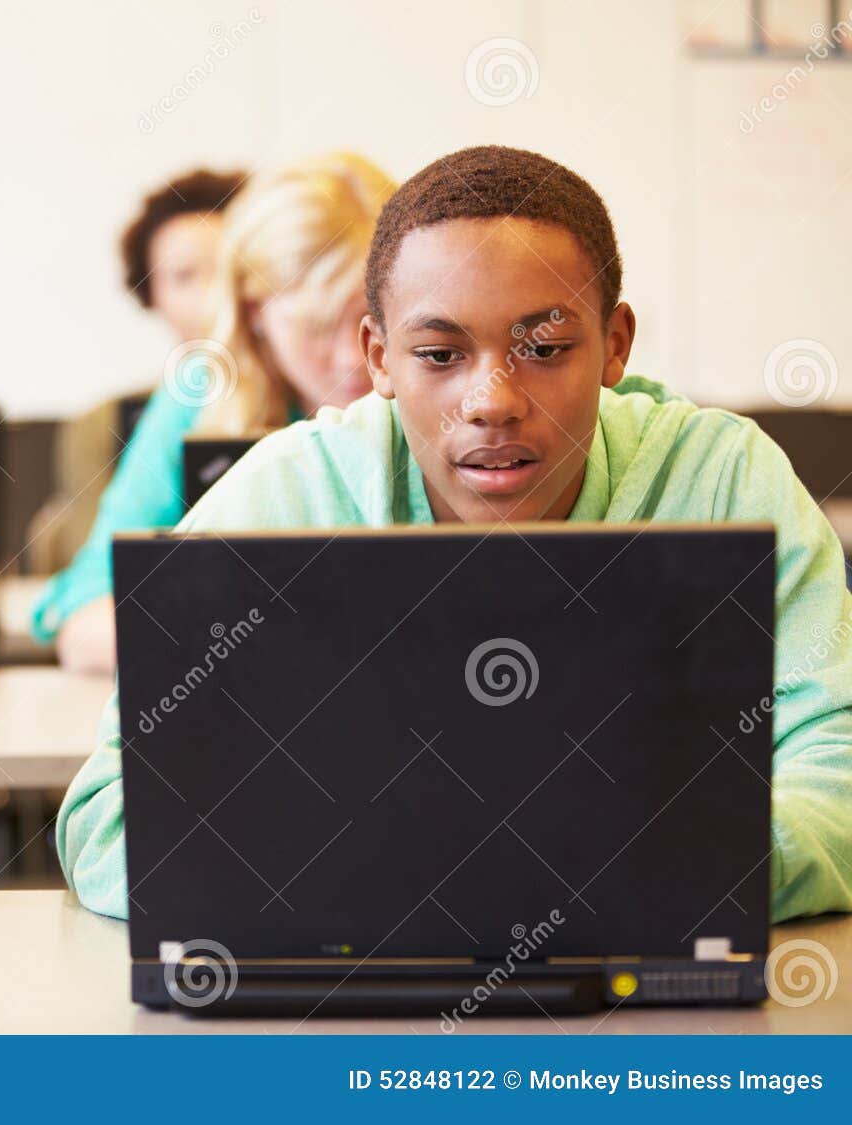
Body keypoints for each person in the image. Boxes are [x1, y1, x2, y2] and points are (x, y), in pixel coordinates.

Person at [57, 144, 852, 924]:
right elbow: (111, 818)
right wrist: (413, 877)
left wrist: (670, 871)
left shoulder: (722, 481)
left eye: (543, 348)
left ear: (614, 344)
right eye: (439, 354)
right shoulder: (292, 488)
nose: (491, 400)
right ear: (378, 356)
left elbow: (836, 761)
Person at [34, 155, 396, 673]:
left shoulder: (445, 384)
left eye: (376, 322)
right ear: (255, 314)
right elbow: (84, 608)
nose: (353, 356)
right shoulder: (200, 394)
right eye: (317, 327)